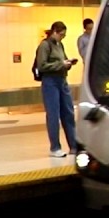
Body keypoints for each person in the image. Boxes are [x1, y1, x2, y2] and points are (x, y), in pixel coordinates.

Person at [36, 20, 79, 158]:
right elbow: (42, 65)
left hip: (62, 80)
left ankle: (73, 145)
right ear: (54, 32)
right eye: (61, 35)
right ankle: (55, 147)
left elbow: (63, 60)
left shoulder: (60, 45)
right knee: (53, 114)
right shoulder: (44, 45)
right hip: (50, 82)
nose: (62, 37)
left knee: (68, 112)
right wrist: (61, 64)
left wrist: (68, 63)